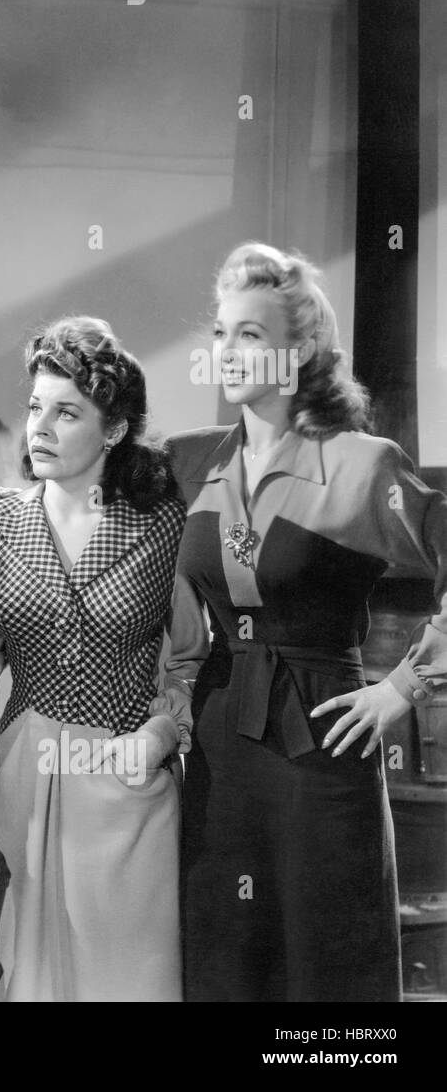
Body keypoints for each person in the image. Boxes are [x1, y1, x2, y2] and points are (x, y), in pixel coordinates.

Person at [168, 242, 443, 1001]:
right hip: (220, 741)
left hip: (322, 739)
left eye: (250, 335)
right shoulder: (190, 464)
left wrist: (405, 686)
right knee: (225, 954)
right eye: (220, 332)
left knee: (328, 959)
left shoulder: (363, 464)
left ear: (299, 353)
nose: (226, 351)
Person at [0, 316, 187, 1001]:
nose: (39, 428)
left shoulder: (165, 522)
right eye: (35, 408)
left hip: (129, 788)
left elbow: (193, 658)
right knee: (26, 982)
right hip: (24, 783)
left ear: (114, 430)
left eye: (66, 413)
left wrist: (161, 733)